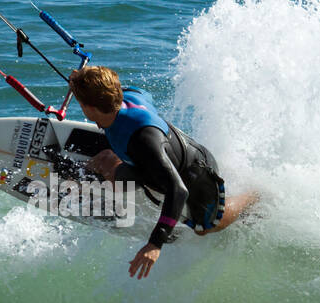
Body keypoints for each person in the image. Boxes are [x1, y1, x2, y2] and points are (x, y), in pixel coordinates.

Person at [69, 66, 257, 279]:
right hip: (146, 165)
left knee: (205, 227)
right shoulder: (125, 96)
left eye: (80, 102)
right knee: (107, 164)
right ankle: (87, 172)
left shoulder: (143, 140)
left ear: (90, 107)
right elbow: (124, 92)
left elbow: (178, 190)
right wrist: (83, 80)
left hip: (194, 175)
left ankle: (252, 198)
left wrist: (155, 243)